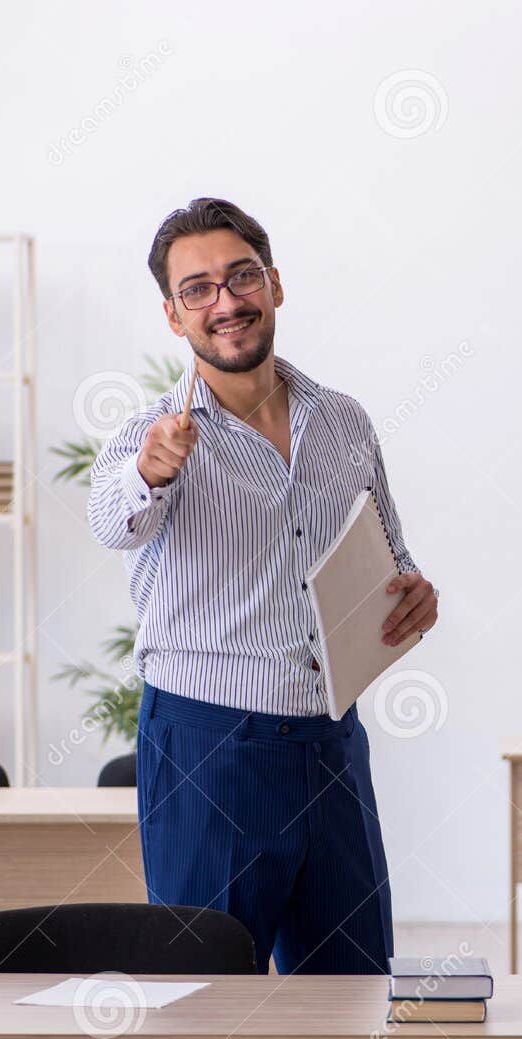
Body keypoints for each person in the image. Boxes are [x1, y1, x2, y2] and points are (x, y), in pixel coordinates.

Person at [87, 197, 438, 974]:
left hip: (331, 744)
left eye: (241, 276)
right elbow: (112, 520)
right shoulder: (153, 436)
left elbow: (390, 556)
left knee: (353, 991)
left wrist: (414, 595)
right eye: (198, 289)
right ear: (174, 316)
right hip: (208, 750)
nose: (226, 302)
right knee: (205, 998)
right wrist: (149, 471)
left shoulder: (344, 422)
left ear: (274, 284)